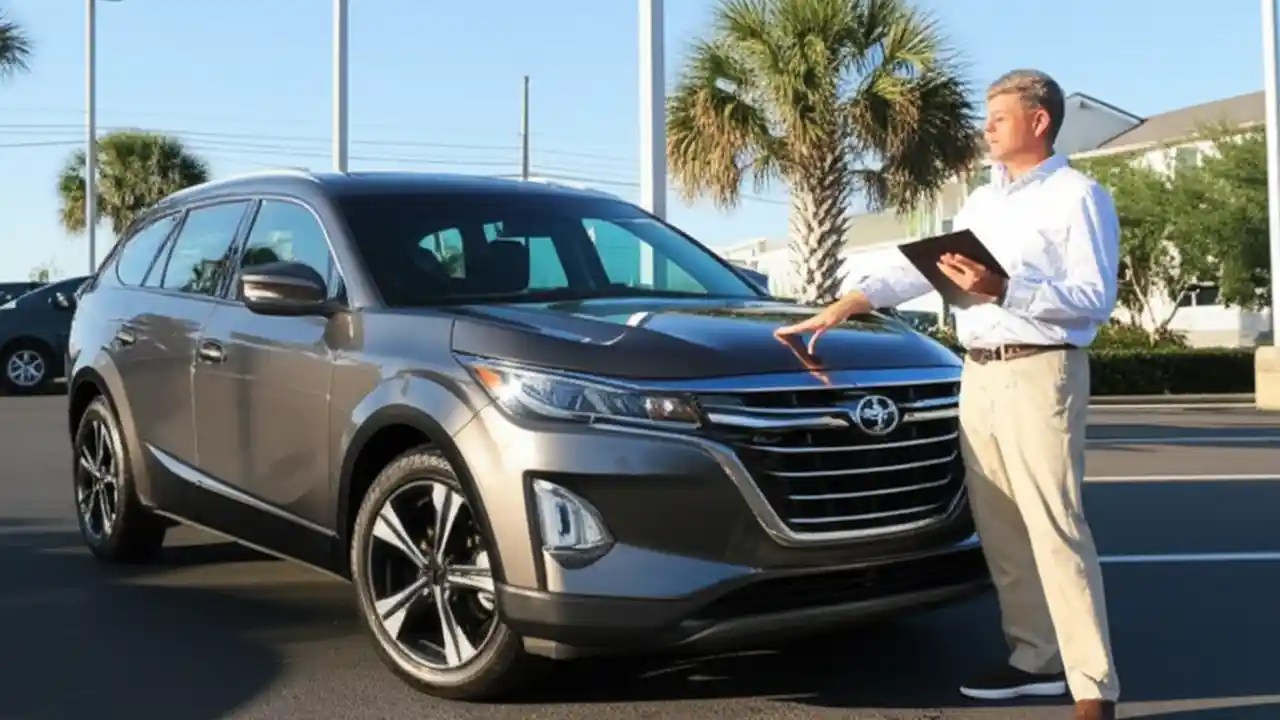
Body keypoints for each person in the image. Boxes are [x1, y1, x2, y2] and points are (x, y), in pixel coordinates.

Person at [775, 69, 1121, 720]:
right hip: (978, 372)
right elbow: (916, 270)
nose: (986, 130)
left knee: (1055, 526)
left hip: (1040, 370)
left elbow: (1093, 299)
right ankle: (1036, 659)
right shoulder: (983, 202)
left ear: (1039, 121)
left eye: (999, 118)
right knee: (1001, 526)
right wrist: (845, 305)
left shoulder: (1077, 196)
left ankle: (1092, 688)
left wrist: (1005, 288)